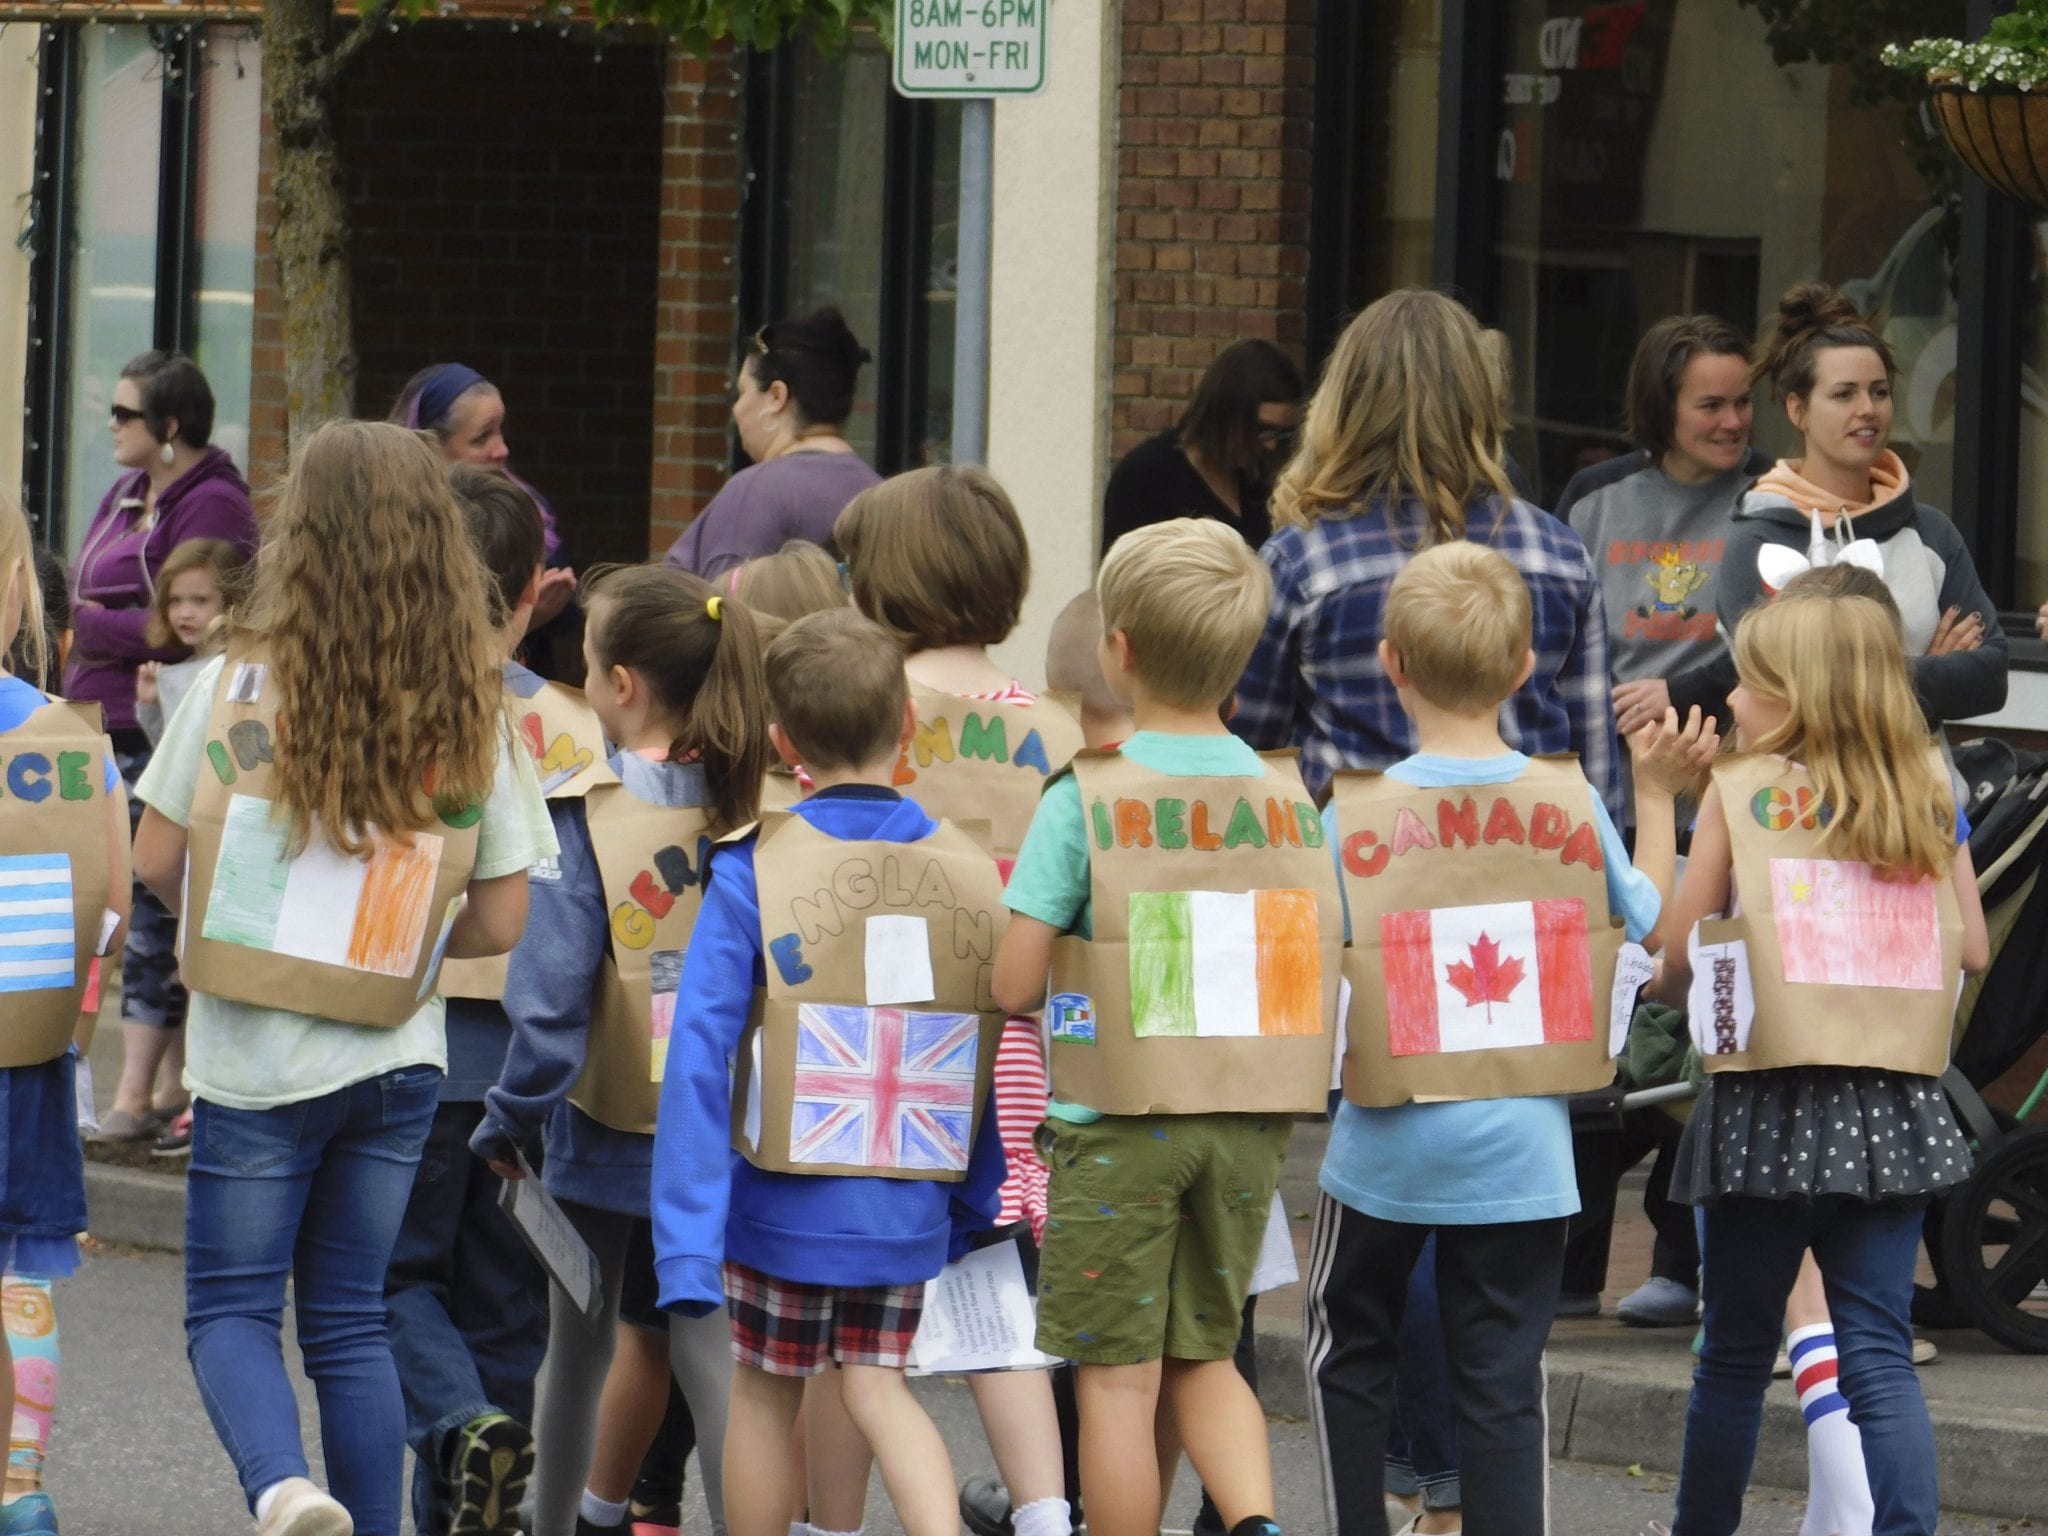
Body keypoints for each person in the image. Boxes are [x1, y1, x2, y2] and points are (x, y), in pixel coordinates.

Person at [126, 422, 553, 1536]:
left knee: (228, 1309)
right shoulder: (476, 708)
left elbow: (158, 859)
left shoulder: (235, 686)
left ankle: (281, 1487)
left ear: (297, 537)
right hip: (395, 1056)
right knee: (351, 1321)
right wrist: (400, 947)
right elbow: (503, 915)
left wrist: (236, 931)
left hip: (256, 1056)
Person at [1311, 541, 1704, 1536]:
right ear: (1527, 667)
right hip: (1523, 1153)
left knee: (1348, 1354)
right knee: (1500, 1381)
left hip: (1382, 1144)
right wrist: (1654, 797)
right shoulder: (1567, 802)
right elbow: (1650, 923)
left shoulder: (1349, 817)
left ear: (1391, 662)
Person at [993, 517, 1336, 1536]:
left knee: (1113, 1380)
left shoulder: (1083, 800)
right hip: (1246, 1122)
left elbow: (1014, 983)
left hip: (1114, 1128)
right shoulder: (1287, 802)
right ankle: (1255, 1523)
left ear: (1119, 649)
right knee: (1206, 1351)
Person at [650, 606, 1009, 1536]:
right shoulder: (969, 871)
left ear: (781, 742)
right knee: (882, 1390)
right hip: (906, 1198)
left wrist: (687, 1235)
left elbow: (698, 1051)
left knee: (766, 1395)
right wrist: (976, 1192)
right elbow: (981, 1038)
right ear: (908, 729)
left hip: (778, 1206)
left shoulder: (753, 871)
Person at [1647, 587, 1990, 1536]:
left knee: (1732, 1354)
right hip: (1892, 1108)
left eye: (1750, 684)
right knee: (1877, 1350)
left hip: (1765, 1109)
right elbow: (1970, 952)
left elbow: (1681, 957)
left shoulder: (1741, 791)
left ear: (1795, 697)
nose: (1733, 703)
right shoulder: (1927, 785)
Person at [471, 564, 768, 1536]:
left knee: (580, 1346)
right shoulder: (758, 810)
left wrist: (508, 1122)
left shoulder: (584, 815)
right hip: (731, 1123)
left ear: (621, 684)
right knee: (709, 1351)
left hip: (604, 1132)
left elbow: (549, 1010)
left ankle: (551, 1526)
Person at [836, 467, 1080, 1536]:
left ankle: (823, 1519)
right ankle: (1042, 1512)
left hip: (873, 1053)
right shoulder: (1066, 733)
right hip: (1022, 1055)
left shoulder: (863, 719)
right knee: (995, 1299)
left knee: (844, 1319)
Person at [1549, 314, 1767, 1326]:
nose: (1732, 422)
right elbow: (1553, 632)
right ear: (1661, 408)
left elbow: (1770, 644)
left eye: (1741, 402)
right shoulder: (1596, 499)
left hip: (1715, 795)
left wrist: (1678, 690)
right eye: (1709, 404)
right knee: (1590, 1027)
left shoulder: (1764, 503)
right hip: (1602, 797)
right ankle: (1569, 1270)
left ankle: (1680, 1258)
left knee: (1696, 1022)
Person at [1230, 289, 1623, 819]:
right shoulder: (1558, 554)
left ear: (1343, 400)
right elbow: (1592, 768)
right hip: (1531, 879)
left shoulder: (1302, 562)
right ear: (1480, 400)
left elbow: (1251, 757)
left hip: (1358, 876)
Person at [382, 465, 564, 1536]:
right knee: (505, 1307)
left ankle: (456, 1429)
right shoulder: (575, 727)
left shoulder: (383, 709)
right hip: (531, 1057)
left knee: (391, 1281)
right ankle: (486, 1477)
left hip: (411, 1038)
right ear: (536, 590)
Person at [69, 350, 258, 1145]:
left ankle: (141, 1089)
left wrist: (93, 624)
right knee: (111, 907)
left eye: (124, 414)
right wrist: (94, 622)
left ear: (169, 426)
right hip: (100, 719)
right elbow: (78, 589)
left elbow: (185, 625)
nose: (110, 426)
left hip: (167, 725)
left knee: (153, 910)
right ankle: (163, 1081)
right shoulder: (124, 493)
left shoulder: (213, 501)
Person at [0, 490, 130, 1536]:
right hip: (21, 1053)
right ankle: (18, 1483)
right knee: (18, 1263)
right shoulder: (57, 739)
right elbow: (112, 908)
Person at [1716, 283, 2004, 735]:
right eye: (1844, 394)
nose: (1867, 410)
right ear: (1798, 409)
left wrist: (1852, 677)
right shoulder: (1757, 540)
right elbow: (1791, 697)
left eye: (1880, 392)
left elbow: (1991, 678)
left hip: (1926, 799)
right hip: (1803, 799)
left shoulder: (1931, 530)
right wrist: (1924, 669)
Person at [664, 309, 880, 580]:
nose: (736, 410)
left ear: (777, 396)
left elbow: (715, 610)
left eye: (743, 392)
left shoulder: (754, 493)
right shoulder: (881, 495)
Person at [390, 364, 580, 669]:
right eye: (482, 438)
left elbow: (570, 615)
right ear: (431, 446)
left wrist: (553, 602)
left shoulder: (524, 505)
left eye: (500, 429)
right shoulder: (397, 525)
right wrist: (526, 618)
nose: (502, 449)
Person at [1100, 339, 1302, 557]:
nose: (1271, 445)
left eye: (1282, 434)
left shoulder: (1262, 481)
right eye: (1262, 428)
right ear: (1225, 411)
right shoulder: (1145, 477)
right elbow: (1122, 580)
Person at [135, 539, 246, 749]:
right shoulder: (187, 668)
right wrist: (151, 705)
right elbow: (171, 756)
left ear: (231, 600)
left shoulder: (240, 670)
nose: (184, 613)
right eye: (175, 600)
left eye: (200, 600)